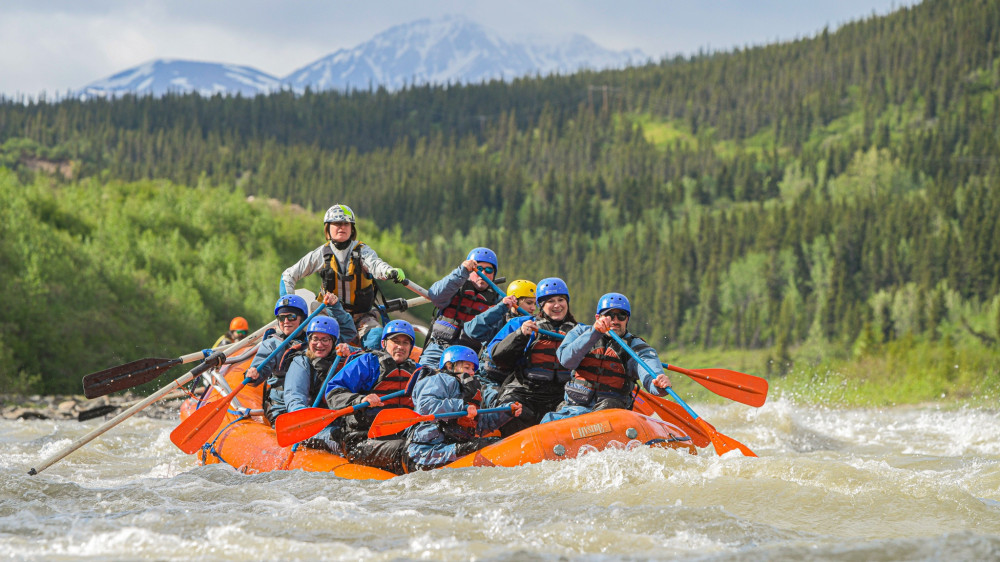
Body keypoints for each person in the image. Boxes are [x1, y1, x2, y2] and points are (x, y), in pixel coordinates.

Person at [278, 204, 401, 349]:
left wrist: (388, 271)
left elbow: (376, 265)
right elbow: (288, 275)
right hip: (329, 315)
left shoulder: (363, 252)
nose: (341, 227)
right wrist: (290, 307)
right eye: (336, 223)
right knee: (317, 340)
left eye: (346, 224)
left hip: (361, 316)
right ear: (328, 228)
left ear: (352, 229)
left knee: (375, 339)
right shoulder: (320, 254)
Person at [542, 293, 671, 422]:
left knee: (609, 404)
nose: (615, 321)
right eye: (609, 315)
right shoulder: (580, 332)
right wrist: (595, 332)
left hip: (612, 415)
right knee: (547, 420)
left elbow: (650, 373)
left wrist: (658, 385)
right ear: (598, 317)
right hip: (574, 410)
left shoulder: (636, 346)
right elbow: (566, 360)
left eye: (621, 316)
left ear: (627, 319)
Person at [323, 320, 423, 475]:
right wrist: (360, 400)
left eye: (405, 343)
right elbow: (334, 392)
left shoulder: (418, 372)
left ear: (411, 347)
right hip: (362, 441)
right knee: (409, 448)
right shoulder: (368, 363)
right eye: (395, 341)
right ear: (384, 343)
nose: (400, 347)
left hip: (402, 436)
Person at [404, 346, 521, 471]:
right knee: (485, 446)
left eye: (473, 369)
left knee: (496, 443)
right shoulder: (440, 380)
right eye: (466, 367)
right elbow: (425, 406)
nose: (471, 372)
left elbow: (482, 425)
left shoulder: (470, 389)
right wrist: (462, 406)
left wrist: (507, 411)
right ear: (450, 366)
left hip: (453, 447)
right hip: (426, 452)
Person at [489, 277, 577, 436]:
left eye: (561, 300)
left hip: (561, 396)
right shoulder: (521, 324)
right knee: (510, 410)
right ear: (542, 305)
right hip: (525, 394)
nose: (557, 305)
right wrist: (519, 336)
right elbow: (497, 357)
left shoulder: (579, 331)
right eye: (551, 301)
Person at [245, 294, 352, 394]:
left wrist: (335, 307)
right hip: (283, 402)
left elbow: (349, 332)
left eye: (291, 317)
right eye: (282, 317)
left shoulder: (316, 338)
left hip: (318, 398)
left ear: (302, 318)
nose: (286, 321)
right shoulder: (272, 344)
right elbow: (260, 369)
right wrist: (254, 374)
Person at [421, 247, 503, 369]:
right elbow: (435, 295)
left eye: (489, 270)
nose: (483, 273)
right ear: (471, 269)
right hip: (440, 347)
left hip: (470, 355)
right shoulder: (456, 286)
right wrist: (462, 271)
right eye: (479, 269)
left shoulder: (499, 301)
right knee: (423, 374)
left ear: (493, 274)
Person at [462, 279, 537, 408]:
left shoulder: (533, 325)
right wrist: (502, 307)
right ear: (515, 301)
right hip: (488, 378)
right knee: (498, 403)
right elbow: (471, 330)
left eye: (535, 304)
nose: (533, 308)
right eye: (529, 303)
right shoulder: (498, 318)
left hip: (513, 382)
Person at [261, 315, 339, 426]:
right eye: (315, 339)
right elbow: (294, 395)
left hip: (331, 415)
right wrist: (302, 416)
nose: (319, 344)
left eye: (325, 340)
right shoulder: (301, 362)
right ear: (309, 340)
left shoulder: (340, 359)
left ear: (334, 341)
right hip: (308, 418)